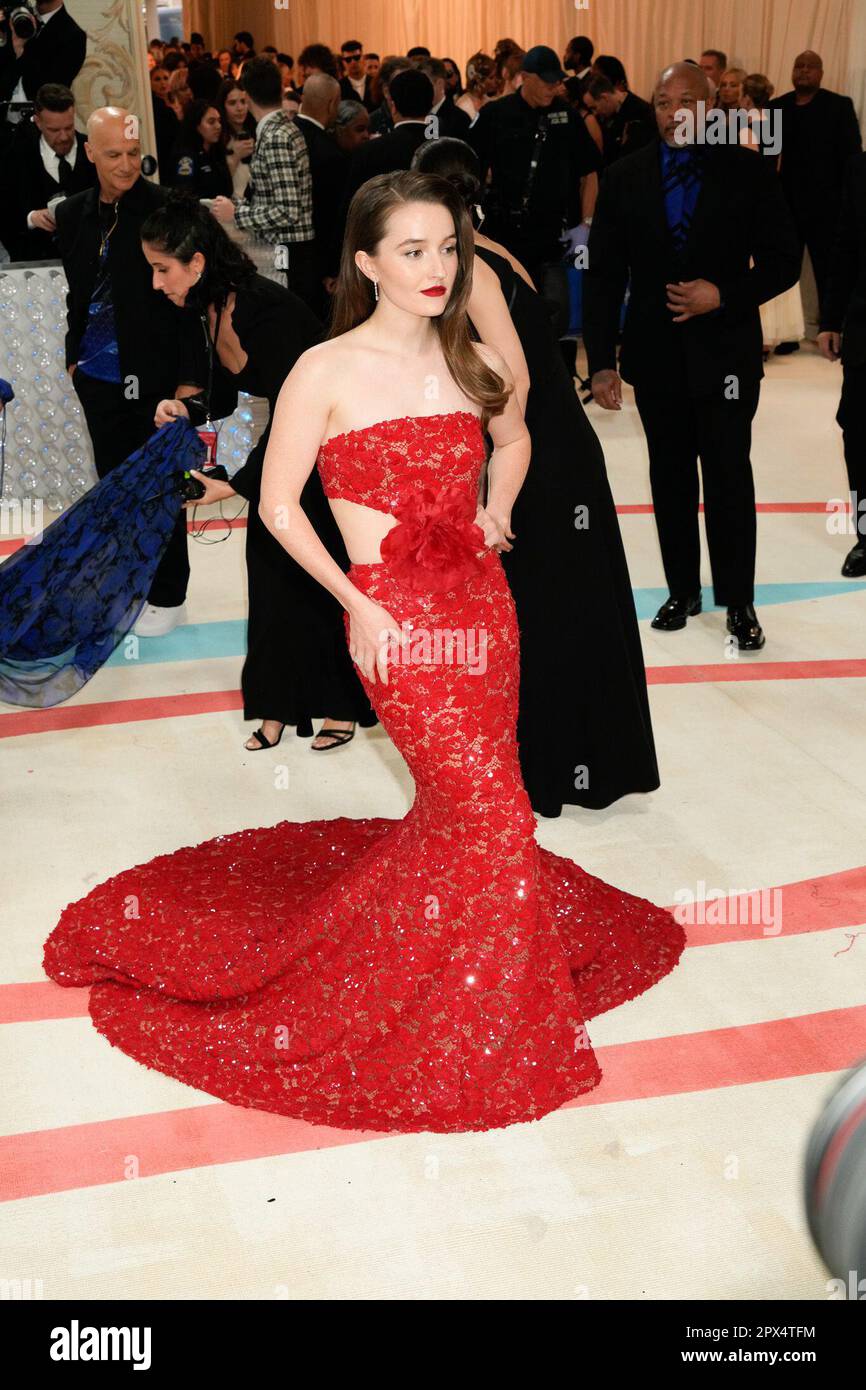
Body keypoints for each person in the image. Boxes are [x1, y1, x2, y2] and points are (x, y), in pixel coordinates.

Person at [42, 169, 686, 1136]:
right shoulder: (325, 368)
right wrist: (358, 603)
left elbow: (513, 437)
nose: (436, 267)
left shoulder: (468, 356)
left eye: (447, 248)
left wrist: (497, 508)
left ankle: (454, 961)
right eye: (412, 250)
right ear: (368, 262)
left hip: (484, 606)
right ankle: (466, 999)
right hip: (395, 619)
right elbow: (276, 504)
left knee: (475, 807)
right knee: (492, 809)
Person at [414, 137, 660, 814]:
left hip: (539, 462)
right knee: (559, 613)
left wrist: (490, 481)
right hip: (553, 455)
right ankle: (568, 767)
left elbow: (513, 382)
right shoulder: (490, 251)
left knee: (544, 617)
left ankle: (552, 773)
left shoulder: (471, 269)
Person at [141, 194, 375, 751]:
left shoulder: (263, 310)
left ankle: (341, 706)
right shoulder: (214, 305)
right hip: (293, 448)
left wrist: (232, 483)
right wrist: (188, 410)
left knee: (318, 578)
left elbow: (300, 413)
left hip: (329, 448)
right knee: (270, 578)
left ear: (195, 263)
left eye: (161, 269)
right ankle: (275, 705)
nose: (155, 283)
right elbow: (230, 393)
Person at [584, 63, 801, 651]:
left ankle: (740, 600)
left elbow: (784, 258)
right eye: (661, 101)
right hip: (655, 358)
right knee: (670, 476)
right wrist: (601, 359)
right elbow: (603, 275)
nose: (674, 112)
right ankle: (682, 590)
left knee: (729, 475)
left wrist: (723, 295)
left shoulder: (748, 172)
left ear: (712, 108)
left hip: (726, 355)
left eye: (687, 101)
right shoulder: (625, 176)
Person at [55, 106, 195, 637]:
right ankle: (129, 587)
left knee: (161, 485)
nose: (126, 164)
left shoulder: (166, 210)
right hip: (96, 376)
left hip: (155, 377)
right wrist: (75, 356)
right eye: (113, 154)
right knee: (114, 488)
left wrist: (189, 378)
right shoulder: (72, 215)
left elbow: (189, 304)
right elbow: (77, 292)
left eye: (134, 154)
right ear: (89, 152)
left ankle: (168, 594)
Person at [468, 45, 601, 338]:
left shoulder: (568, 117)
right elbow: (470, 168)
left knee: (557, 320)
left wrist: (586, 224)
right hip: (504, 235)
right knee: (504, 317)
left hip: (553, 238)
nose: (554, 89)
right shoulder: (496, 114)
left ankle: (554, 377)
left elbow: (589, 173)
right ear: (524, 77)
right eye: (546, 82)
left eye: (557, 82)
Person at [209, 56, 316, 310]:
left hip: (289, 253)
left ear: (246, 95)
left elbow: (287, 211)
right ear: (280, 89)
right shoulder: (282, 129)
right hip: (290, 251)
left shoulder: (277, 135)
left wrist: (237, 214)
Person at [770, 52, 862, 307]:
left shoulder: (839, 106)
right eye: (798, 66)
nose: (804, 71)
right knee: (784, 267)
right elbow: (767, 156)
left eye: (810, 67)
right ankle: (785, 333)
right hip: (787, 202)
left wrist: (847, 198)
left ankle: (830, 326)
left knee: (829, 268)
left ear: (821, 74)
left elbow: (853, 156)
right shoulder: (778, 106)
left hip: (828, 203)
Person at [818, 151, 866, 577]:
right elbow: (847, 242)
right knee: (859, 429)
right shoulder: (861, 166)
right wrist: (830, 318)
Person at [740, 73, 805, 356]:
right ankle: (771, 337)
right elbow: (775, 164)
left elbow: (742, 167)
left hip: (749, 199)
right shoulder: (773, 123)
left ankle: (762, 337)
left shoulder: (744, 124)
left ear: (745, 96)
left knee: (753, 264)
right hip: (772, 194)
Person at [5, 82, 96, 261]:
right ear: (38, 122)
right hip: (34, 263)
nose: (63, 137)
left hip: (90, 261)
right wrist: (31, 218)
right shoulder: (16, 156)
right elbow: (5, 210)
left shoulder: (95, 153)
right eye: (54, 130)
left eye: (69, 127)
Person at [0, 0, 86, 123]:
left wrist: (21, 52)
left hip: (36, 129)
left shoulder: (72, 35)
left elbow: (49, 91)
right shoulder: (12, 21)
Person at [584, 73, 655, 167]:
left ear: (604, 98)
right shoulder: (608, 116)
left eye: (594, 107)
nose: (594, 113)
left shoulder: (640, 112)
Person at [166, 98, 232, 198]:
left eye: (219, 121)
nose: (218, 126)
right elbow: (184, 194)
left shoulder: (216, 152)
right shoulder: (186, 156)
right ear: (196, 125)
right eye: (211, 122)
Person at [215, 77, 256, 197]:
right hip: (229, 202)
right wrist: (236, 156)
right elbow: (217, 182)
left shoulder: (255, 131)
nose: (239, 108)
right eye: (232, 103)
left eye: (243, 102)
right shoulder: (218, 137)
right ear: (223, 106)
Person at [455, 51, 498, 119]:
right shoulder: (463, 105)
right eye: (491, 77)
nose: (496, 80)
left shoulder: (490, 101)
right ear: (479, 80)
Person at [338, 38, 374, 109]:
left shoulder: (375, 83)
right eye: (348, 59)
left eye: (356, 58)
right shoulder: (339, 87)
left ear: (363, 58)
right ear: (343, 63)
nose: (353, 62)